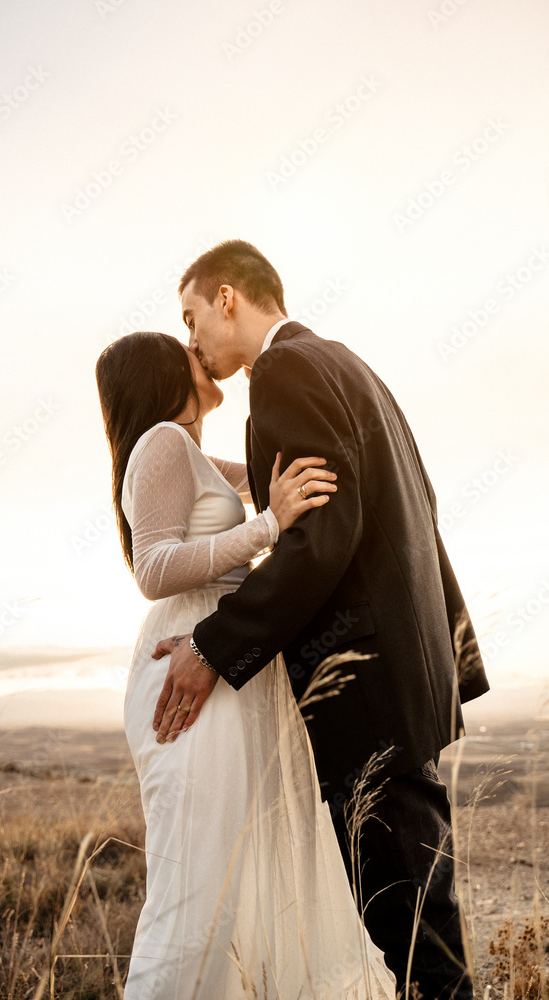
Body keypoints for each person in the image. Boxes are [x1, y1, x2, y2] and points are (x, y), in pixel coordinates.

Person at [151, 240, 491, 1000]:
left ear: (228, 297)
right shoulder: (344, 361)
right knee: (420, 929)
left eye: (192, 315)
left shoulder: (285, 371)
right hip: (405, 683)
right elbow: (406, 508)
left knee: (415, 943)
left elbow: (323, 535)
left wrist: (213, 645)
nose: (192, 339)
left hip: (368, 699)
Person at [96, 331, 397, 1000]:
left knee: (232, 876)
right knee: (196, 878)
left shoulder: (192, 455)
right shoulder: (163, 442)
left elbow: (273, 482)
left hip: (229, 659)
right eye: (187, 350)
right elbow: (153, 568)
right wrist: (266, 527)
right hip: (190, 656)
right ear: (163, 373)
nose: (200, 355)